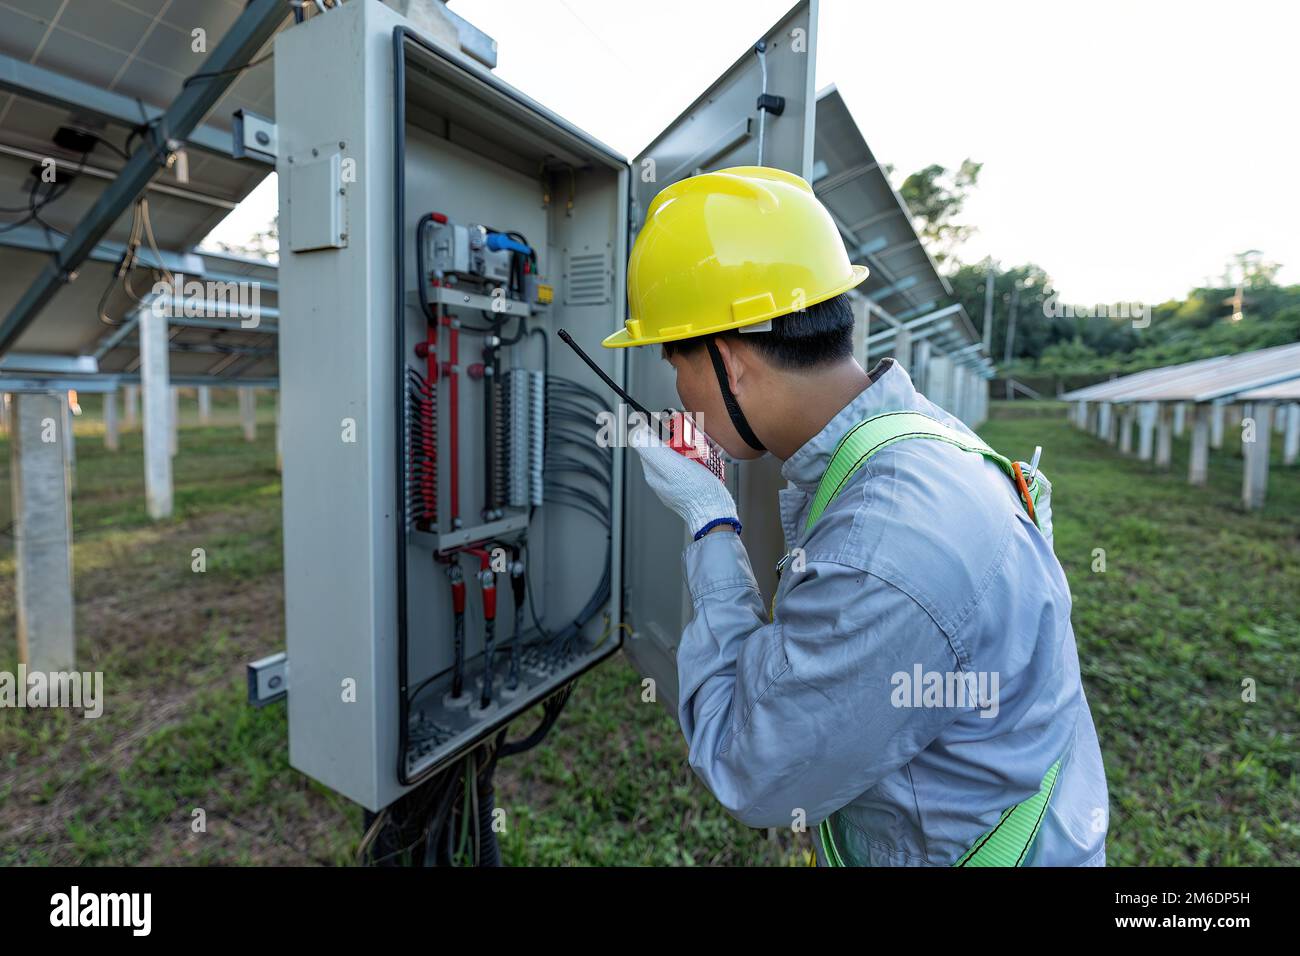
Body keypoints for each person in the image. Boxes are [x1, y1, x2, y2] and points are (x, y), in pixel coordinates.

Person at [601, 166, 1108, 866]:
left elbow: (749, 766)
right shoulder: (914, 441)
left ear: (730, 361)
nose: (679, 394)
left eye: (674, 363)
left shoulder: (879, 551)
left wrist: (710, 522)